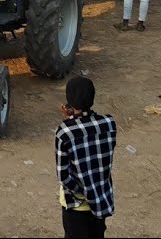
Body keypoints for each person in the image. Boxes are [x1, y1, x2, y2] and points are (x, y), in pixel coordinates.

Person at [55, 76, 116, 239]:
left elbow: (64, 176)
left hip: (76, 206)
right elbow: (88, 135)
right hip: (101, 201)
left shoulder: (64, 132)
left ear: (69, 100)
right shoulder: (109, 124)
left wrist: (85, 191)